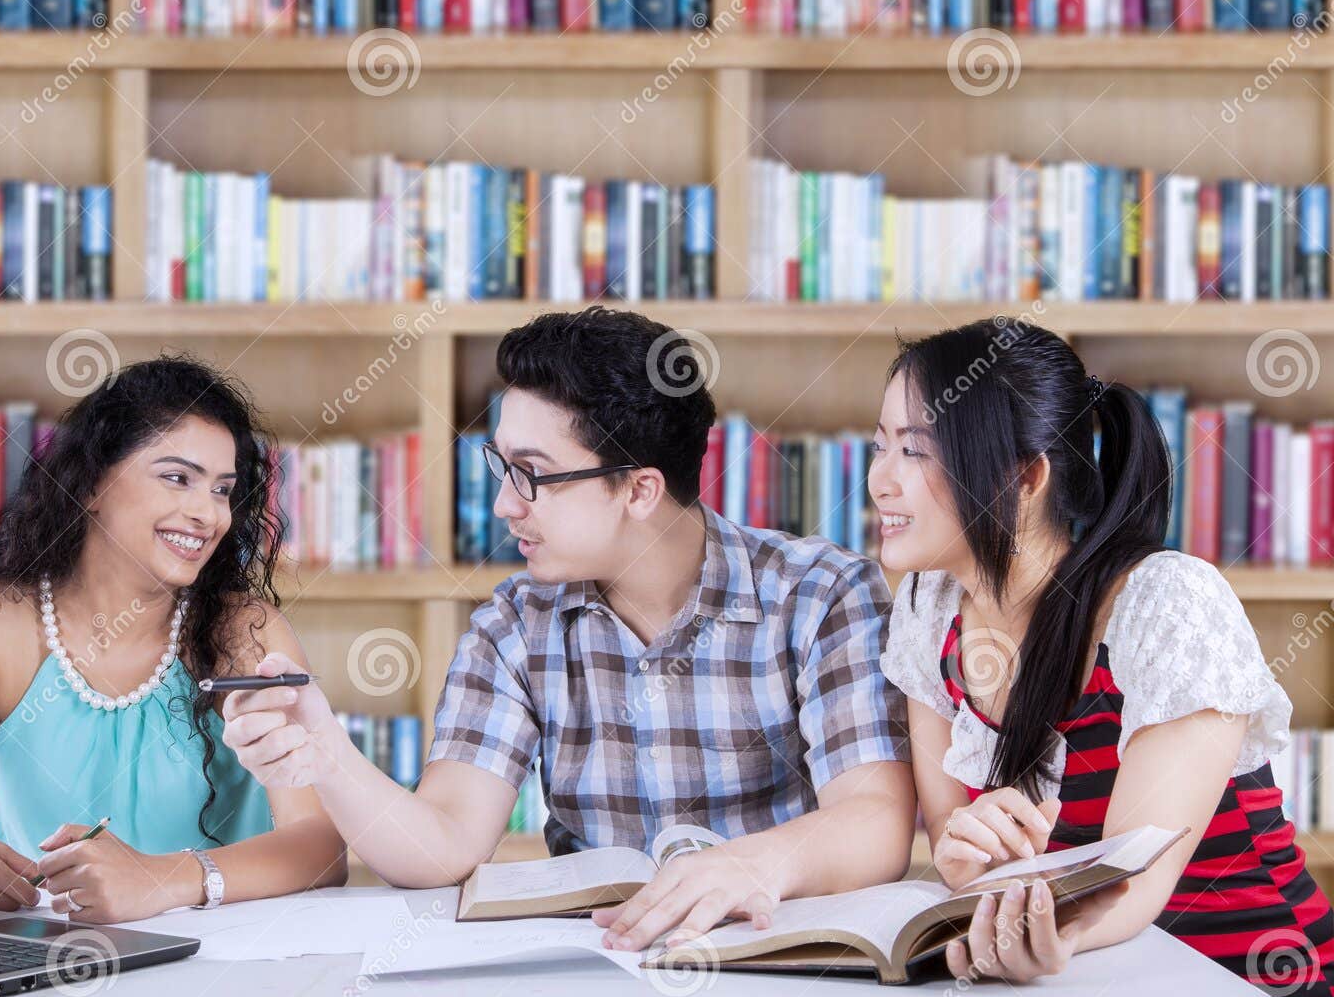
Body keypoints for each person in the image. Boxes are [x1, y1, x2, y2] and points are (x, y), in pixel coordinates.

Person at [222, 306, 914, 952]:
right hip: (600, 966)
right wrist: (327, 752)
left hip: (773, 955)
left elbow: (876, 820)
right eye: (501, 467)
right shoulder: (513, 627)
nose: (501, 504)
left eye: (532, 475)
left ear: (639, 490)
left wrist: (741, 867)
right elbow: (444, 846)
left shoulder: (820, 593)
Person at [872, 317, 1334, 997]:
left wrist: (1048, 935)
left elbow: (1134, 880)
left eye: (914, 451)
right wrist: (973, 869)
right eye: (880, 446)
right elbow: (959, 849)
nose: (879, 481)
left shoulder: (1165, 604)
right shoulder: (927, 612)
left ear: (1025, 476)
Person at [0, 356, 345, 924]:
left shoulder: (245, 631)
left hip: (223, 966)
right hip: (43, 968)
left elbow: (322, 848)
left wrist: (160, 881)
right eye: (177, 477)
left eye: (222, 490)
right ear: (90, 483)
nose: (207, 514)